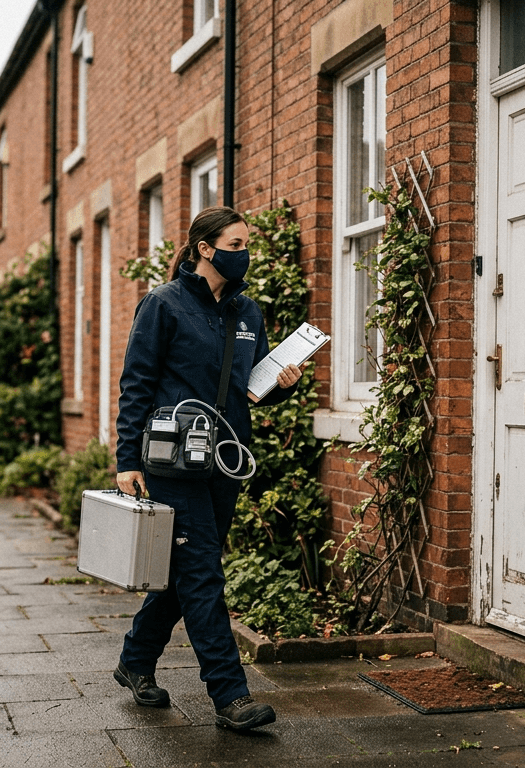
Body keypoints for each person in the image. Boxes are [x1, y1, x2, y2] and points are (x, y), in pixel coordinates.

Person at [112, 206, 305, 731]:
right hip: (174, 462)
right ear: (204, 248)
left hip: (225, 461)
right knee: (202, 575)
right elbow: (137, 384)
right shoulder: (164, 304)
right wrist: (126, 458)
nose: (243, 254)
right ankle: (230, 696)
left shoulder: (249, 315)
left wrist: (280, 384)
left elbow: (249, 389)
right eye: (235, 244)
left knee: (185, 576)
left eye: (247, 245)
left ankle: (134, 660)